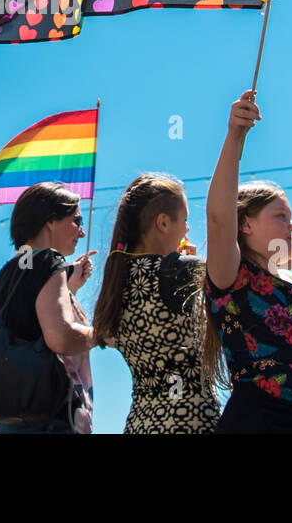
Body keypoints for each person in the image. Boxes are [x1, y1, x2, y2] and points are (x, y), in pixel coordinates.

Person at [205, 91, 292, 433]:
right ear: (246, 224)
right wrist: (235, 136)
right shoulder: (231, 275)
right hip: (261, 422)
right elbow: (219, 219)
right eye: (281, 216)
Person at [92, 173, 220, 433]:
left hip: (141, 422)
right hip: (188, 421)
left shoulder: (117, 280)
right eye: (184, 220)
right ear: (163, 222)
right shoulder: (178, 271)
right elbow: (234, 276)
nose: (186, 230)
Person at [0, 182, 97, 434]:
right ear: (49, 221)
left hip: (6, 419)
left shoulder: (9, 272)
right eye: (77, 221)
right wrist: (102, 334)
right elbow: (60, 338)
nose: (81, 232)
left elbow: (28, 326)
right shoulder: (48, 260)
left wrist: (69, 288)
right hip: (48, 419)